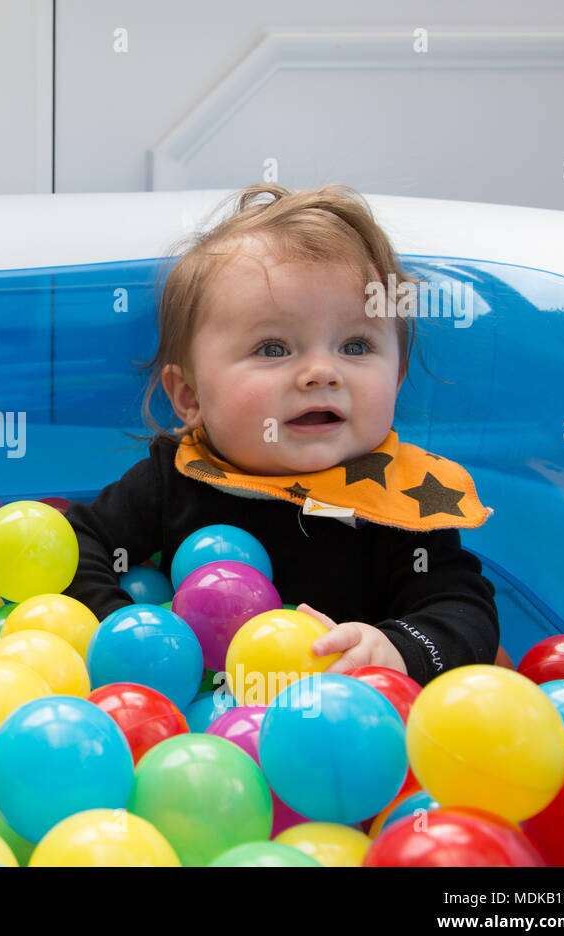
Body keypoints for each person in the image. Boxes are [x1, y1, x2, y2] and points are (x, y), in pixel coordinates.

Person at [63, 184, 499, 687]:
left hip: (335, 735)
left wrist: (398, 649)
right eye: (273, 349)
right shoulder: (173, 478)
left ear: (397, 379)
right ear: (190, 397)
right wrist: (130, 634)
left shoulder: (398, 506)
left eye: (356, 345)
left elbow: (465, 612)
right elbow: (77, 545)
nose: (321, 372)